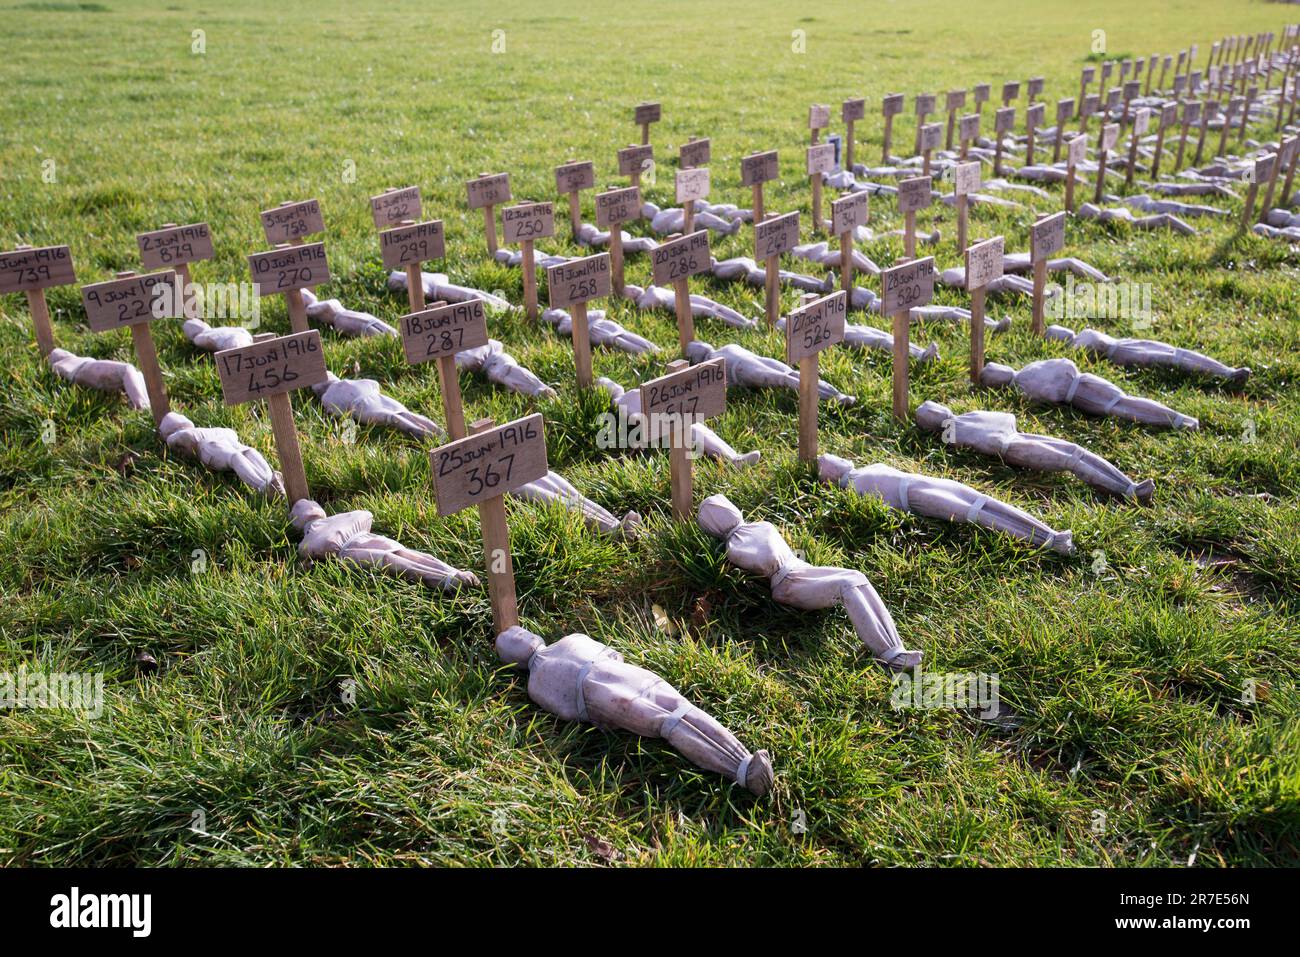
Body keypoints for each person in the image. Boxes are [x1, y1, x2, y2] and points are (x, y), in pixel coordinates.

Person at [495, 625, 774, 797]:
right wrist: (597, 711)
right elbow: (569, 711)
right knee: (668, 723)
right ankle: (739, 772)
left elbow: (611, 654)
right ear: (512, 660)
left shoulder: (569, 640)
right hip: (607, 696)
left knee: (680, 708)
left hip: (622, 676)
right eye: (514, 641)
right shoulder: (537, 682)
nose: (521, 635)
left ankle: (744, 759)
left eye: (519, 632)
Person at [697, 494, 921, 670]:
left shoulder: (757, 528)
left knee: (855, 576)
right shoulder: (735, 548)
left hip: (800, 568)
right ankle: (890, 655)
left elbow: (782, 552)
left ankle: (894, 645)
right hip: (788, 583)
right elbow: (768, 561)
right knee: (845, 586)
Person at [818, 455, 1075, 554]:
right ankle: (1049, 543)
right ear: (828, 479)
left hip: (923, 482)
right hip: (917, 498)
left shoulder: (868, 466)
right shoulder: (853, 490)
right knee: (974, 513)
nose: (832, 458)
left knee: (981, 500)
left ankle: (1051, 533)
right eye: (826, 462)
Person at [915, 400, 1154, 503]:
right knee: (1071, 460)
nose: (938, 411)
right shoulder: (951, 433)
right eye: (932, 413)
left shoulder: (965, 418)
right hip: (1014, 446)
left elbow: (1005, 418)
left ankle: (1128, 484)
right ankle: (1127, 491)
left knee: (1075, 450)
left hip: (1017, 436)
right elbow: (987, 442)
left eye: (935, 407)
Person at [291, 500, 479, 592]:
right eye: (305, 509)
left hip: (361, 540)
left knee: (404, 553)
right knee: (393, 560)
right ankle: (445, 581)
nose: (310, 510)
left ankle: (453, 573)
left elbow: (365, 515)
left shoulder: (316, 536)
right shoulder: (308, 542)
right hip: (351, 551)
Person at [980, 357, 1199, 429]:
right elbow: (1062, 372)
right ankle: (1178, 420)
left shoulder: (1025, 379)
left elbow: (1054, 390)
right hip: (1082, 388)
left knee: (1123, 404)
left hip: (1082, 389)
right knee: (1123, 405)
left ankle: (1179, 419)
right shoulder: (1026, 378)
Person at [598, 376, 760, 467]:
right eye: (608, 385)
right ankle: (731, 460)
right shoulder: (620, 404)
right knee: (696, 434)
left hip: (672, 410)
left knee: (702, 432)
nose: (614, 385)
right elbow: (636, 421)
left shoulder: (628, 397)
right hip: (663, 421)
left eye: (611, 382)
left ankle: (733, 457)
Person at [1045, 325, 1249, 386]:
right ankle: (1224, 376)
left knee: (1176, 352)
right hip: (1123, 353)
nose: (1063, 331)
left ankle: (1227, 371)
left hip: (1127, 343)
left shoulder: (1083, 334)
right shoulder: (1076, 348)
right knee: (1172, 358)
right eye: (1057, 333)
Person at [685, 340, 856, 406]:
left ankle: (835, 394)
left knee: (790, 375)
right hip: (746, 368)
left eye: (698, 344)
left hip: (751, 365)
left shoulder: (721, 352)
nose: (700, 346)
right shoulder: (716, 357)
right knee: (787, 377)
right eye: (696, 348)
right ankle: (834, 397)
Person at [159, 412, 283, 495]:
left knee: (249, 451)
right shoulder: (178, 436)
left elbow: (231, 433)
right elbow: (181, 438)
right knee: (235, 458)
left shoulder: (198, 430)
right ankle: (262, 487)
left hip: (223, 440)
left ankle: (270, 480)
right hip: (207, 446)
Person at [512, 470, 641, 539]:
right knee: (524, 489)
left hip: (519, 468)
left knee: (573, 497)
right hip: (505, 482)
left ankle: (614, 526)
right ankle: (611, 531)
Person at [311, 372, 444, 439]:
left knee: (396, 416)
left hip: (365, 405)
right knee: (398, 415)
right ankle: (432, 435)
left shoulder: (328, 396)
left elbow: (337, 413)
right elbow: (374, 384)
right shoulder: (333, 393)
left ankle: (434, 435)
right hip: (369, 401)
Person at [47, 348, 149, 410]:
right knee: (127, 369)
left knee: (134, 372)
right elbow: (56, 355)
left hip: (86, 369)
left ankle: (143, 403)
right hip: (86, 367)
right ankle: (142, 405)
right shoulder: (61, 363)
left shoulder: (65, 365)